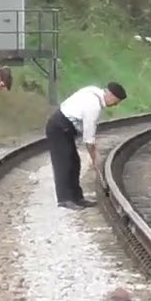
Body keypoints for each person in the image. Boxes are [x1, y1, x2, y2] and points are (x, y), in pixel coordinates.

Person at [45, 82, 126, 210]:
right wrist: (94, 158)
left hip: (65, 127)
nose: (116, 104)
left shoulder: (94, 91)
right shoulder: (94, 106)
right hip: (58, 127)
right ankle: (64, 199)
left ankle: (77, 197)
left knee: (74, 162)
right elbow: (88, 138)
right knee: (64, 162)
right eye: (116, 101)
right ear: (110, 95)